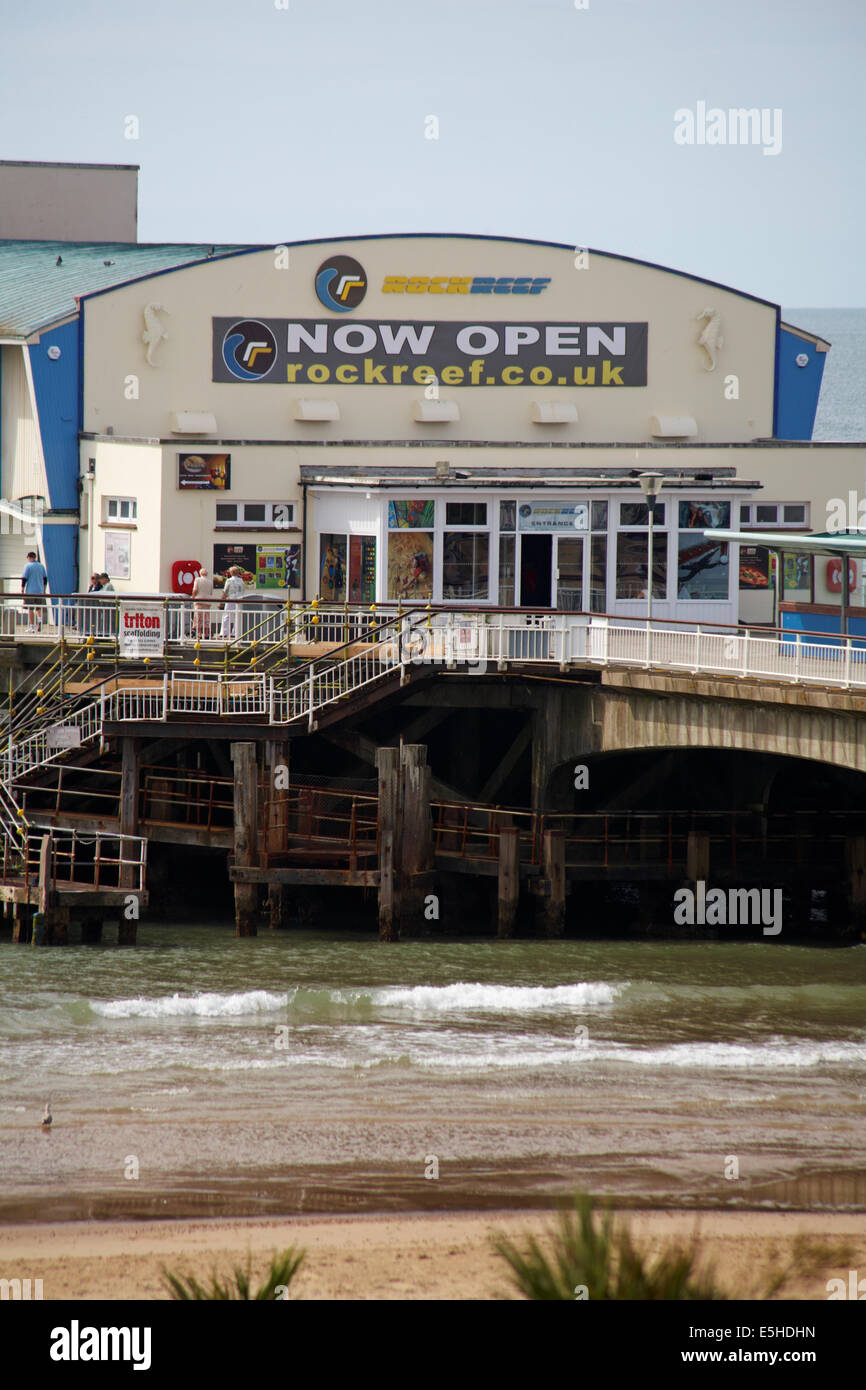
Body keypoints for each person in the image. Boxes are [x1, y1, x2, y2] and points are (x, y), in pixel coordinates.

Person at [21, 551, 48, 632]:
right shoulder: (41, 566)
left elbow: (24, 579)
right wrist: (44, 589)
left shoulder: (28, 566)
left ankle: (32, 627)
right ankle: (39, 622)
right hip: (40, 591)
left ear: (30, 557)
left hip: (30, 591)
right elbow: (45, 579)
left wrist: (22, 589)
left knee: (30, 609)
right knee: (38, 608)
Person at [220, 565, 246, 639]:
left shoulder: (229, 580)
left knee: (226, 615)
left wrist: (221, 601)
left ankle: (224, 633)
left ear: (231, 573)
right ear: (238, 573)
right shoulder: (241, 581)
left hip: (230, 599)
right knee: (237, 616)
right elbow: (243, 590)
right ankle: (235, 633)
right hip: (239, 600)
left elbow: (225, 592)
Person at [192, 566, 214, 638]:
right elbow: (211, 592)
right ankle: (206, 634)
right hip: (207, 601)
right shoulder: (210, 582)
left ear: (200, 573)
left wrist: (192, 597)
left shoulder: (197, 580)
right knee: (206, 618)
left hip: (199, 600)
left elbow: (195, 590)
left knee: (198, 617)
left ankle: (199, 634)